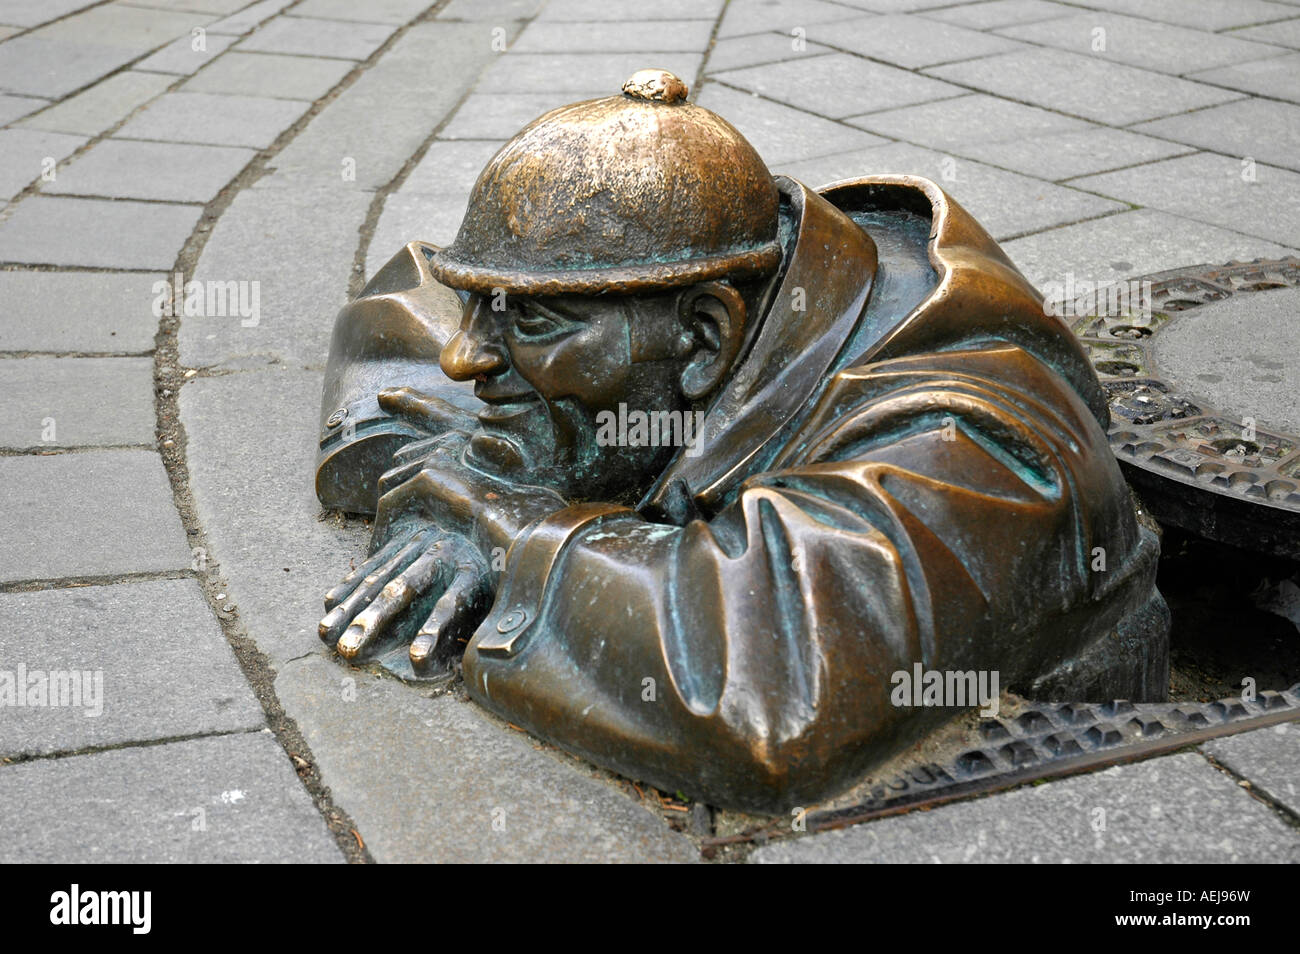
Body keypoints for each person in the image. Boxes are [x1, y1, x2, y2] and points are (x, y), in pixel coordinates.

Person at [313, 71, 1168, 814]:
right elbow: (395, 323)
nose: (466, 355)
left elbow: (769, 692)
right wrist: (497, 476)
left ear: (705, 340)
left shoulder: (968, 436)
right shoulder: (743, 298)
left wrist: (501, 528)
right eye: (481, 305)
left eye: (532, 318)